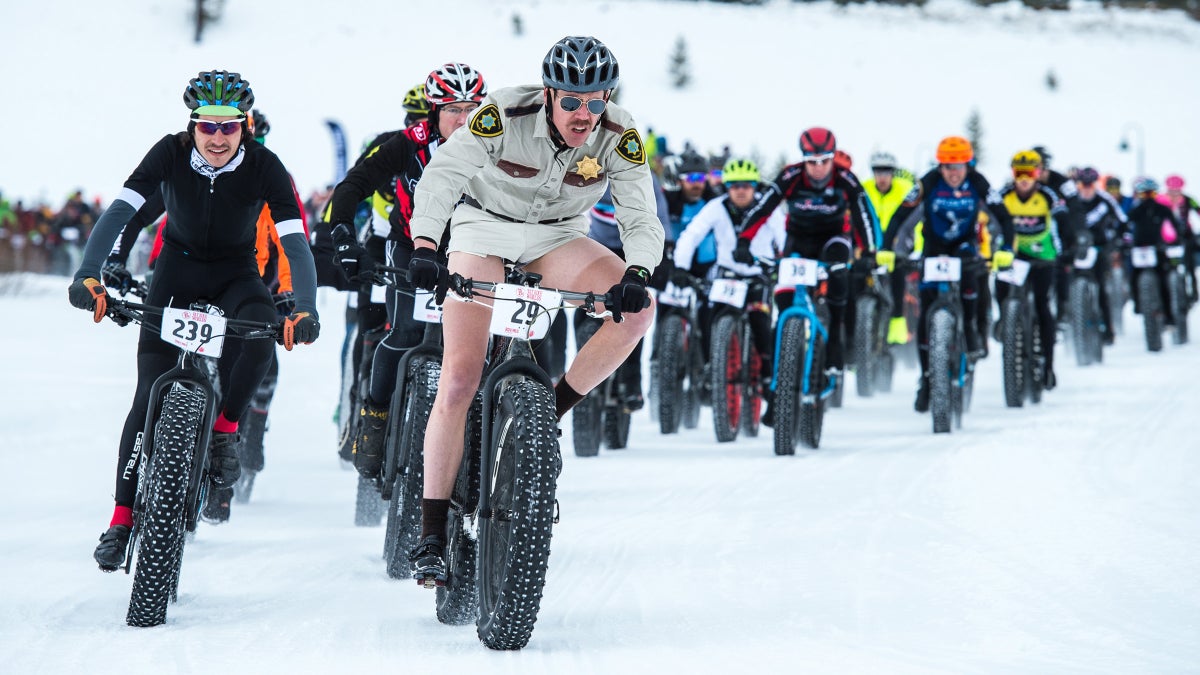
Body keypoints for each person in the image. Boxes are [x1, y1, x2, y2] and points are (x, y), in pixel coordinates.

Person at [403, 36, 662, 584]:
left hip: (559, 239)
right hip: (484, 229)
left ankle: (552, 409)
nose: (583, 114)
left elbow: (640, 210)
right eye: (571, 101)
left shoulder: (620, 132)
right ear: (548, 94)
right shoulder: (504, 112)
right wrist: (426, 244)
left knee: (639, 313)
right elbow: (445, 173)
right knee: (459, 379)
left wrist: (638, 272)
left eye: (595, 101)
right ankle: (429, 532)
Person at [68, 70, 320, 572]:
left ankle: (227, 427)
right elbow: (121, 212)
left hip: (236, 273)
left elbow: (294, 238)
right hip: (175, 273)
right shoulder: (168, 151)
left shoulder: (265, 165)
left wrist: (306, 304)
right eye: (208, 126)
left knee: (260, 333)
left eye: (230, 127)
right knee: (146, 393)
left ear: (244, 127)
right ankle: (120, 519)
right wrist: (88, 273)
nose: (218, 137)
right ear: (193, 125)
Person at [326, 63, 489, 479]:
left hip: (474, 251)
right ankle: (374, 423)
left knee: (485, 352)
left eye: (473, 107)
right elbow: (352, 186)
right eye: (453, 109)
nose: (464, 118)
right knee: (405, 334)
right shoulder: (409, 144)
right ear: (433, 113)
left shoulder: (497, 145)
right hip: (410, 247)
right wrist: (345, 240)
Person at [734, 126, 879, 388]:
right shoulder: (791, 175)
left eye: (825, 161)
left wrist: (868, 252)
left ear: (833, 157)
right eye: (812, 162)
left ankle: (835, 344)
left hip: (833, 239)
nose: (819, 168)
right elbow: (762, 208)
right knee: (783, 301)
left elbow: (863, 215)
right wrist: (744, 241)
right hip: (798, 241)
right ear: (803, 158)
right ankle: (778, 376)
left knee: (838, 277)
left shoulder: (845, 178)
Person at [876, 136, 1014, 412]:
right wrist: (886, 248)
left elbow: (1003, 217)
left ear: (968, 165)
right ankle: (927, 378)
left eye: (959, 166)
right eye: (947, 166)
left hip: (965, 247)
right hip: (934, 248)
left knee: (972, 284)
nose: (953, 173)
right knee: (926, 314)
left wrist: (1006, 248)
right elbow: (899, 218)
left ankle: (973, 330)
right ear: (939, 167)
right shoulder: (927, 184)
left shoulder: (978, 184)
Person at [671, 158, 785, 424]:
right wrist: (680, 266)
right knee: (711, 317)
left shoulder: (768, 209)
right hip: (727, 276)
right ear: (727, 187)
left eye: (746, 185)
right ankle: (715, 366)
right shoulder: (716, 207)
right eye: (734, 186)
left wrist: (782, 264)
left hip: (758, 275)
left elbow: (784, 237)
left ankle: (769, 379)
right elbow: (691, 234)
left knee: (761, 324)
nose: (740, 191)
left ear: (755, 187)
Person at [995, 149, 1067, 390]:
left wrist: (1074, 241)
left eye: (1030, 173)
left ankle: (1047, 364)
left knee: (1041, 304)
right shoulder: (1004, 195)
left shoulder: (1048, 195)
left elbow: (1064, 219)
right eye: (1019, 173)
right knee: (1002, 289)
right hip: (1014, 255)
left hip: (1042, 257)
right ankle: (1004, 320)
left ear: (1038, 173)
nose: (1024, 179)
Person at [863, 151, 916, 346]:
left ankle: (897, 322)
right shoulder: (864, 189)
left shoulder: (906, 190)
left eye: (887, 172)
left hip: (899, 245)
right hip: (872, 246)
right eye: (878, 172)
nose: (882, 176)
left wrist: (916, 248)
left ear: (893, 173)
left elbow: (917, 222)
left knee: (898, 273)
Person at [1074, 166, 1127, 344]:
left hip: (1100, 247)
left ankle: (1107, 327)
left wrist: (1120, 241)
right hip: (1077, 249)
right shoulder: (1071, 201)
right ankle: (1070, 322)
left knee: (1102, 288)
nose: (1087, 188)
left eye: (1090, 184)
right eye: (1083, 184)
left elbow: (1122, 221)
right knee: (1068, 284)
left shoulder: (1105, 200)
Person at [1127, 177, 1187, 323]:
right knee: (1133, 276)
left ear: (1156, 194)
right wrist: (1123, 240)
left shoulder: (1162, 209)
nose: (1147, 198)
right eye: (1143, 194)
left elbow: (1175, 226)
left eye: (1151, 194)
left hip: (1158, 247)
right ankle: (1138, 304)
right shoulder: (1136, 211)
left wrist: (1178, 239)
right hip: (1140, 248)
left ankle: (1169, 315)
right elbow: (1124, 226)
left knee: (1164, 280)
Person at [1159, 174, 1199, 303]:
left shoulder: (1188, 200)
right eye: (1171, 191)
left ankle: (1193, 289)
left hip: (1185, 235)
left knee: (1189, 262)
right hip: (1165, 237)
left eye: (1177, 191)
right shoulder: (1160, 201)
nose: (1174, 195)